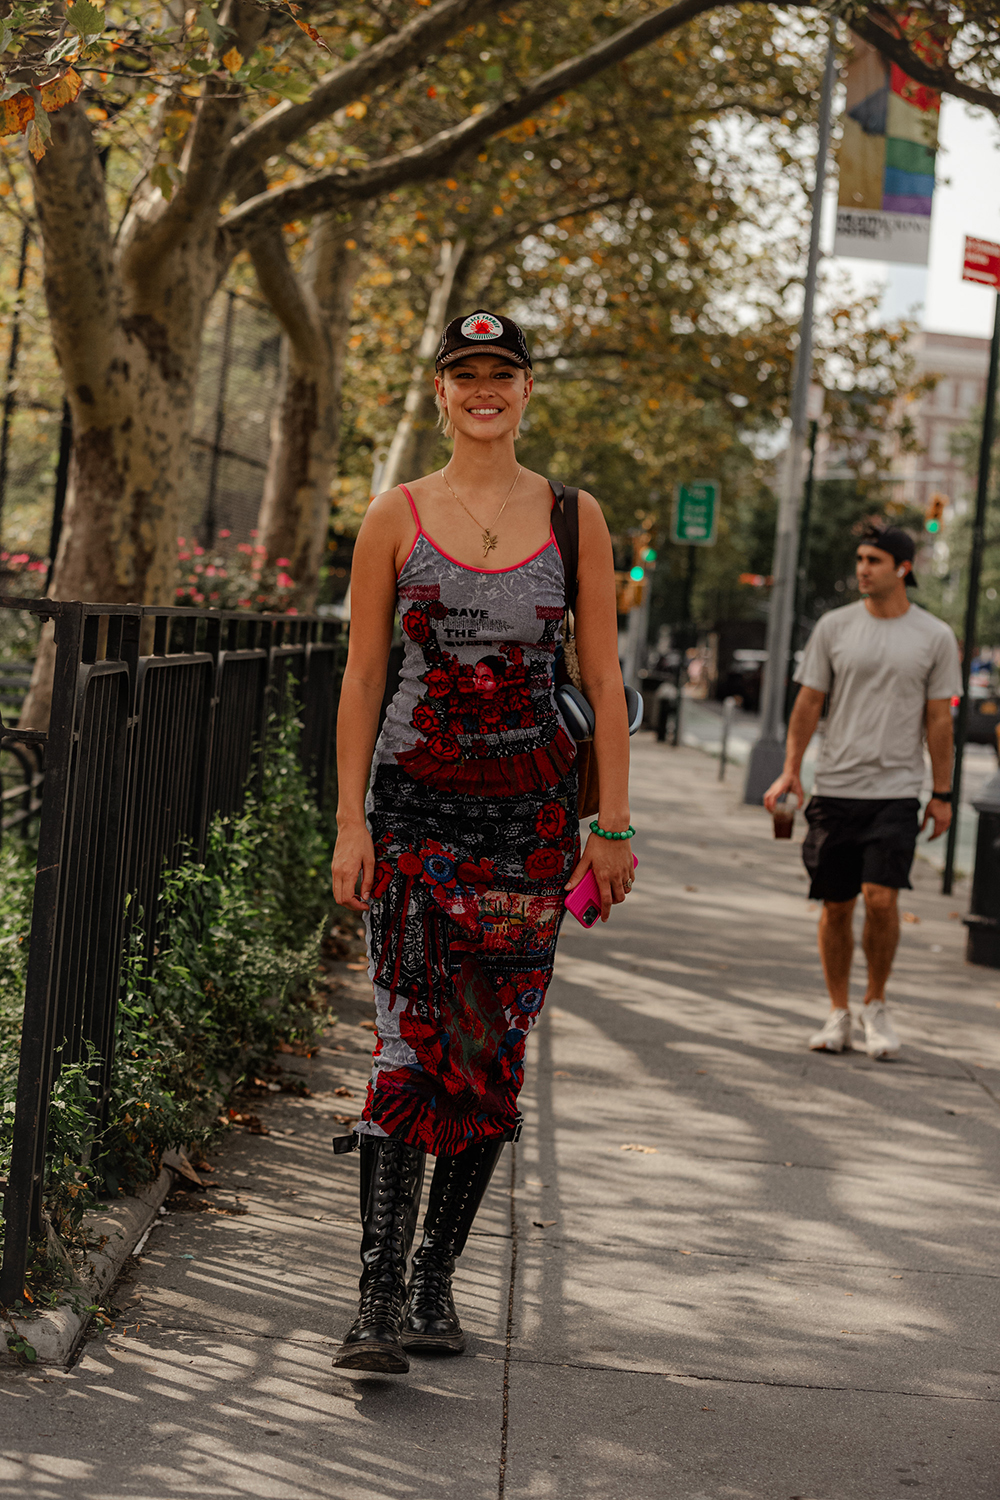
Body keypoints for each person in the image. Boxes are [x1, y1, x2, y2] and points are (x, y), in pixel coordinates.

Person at [329, 310, 634, 1374]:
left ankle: (432, 1280)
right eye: (467, 375)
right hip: (413, 815)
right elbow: (365, 676)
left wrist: (612, 825)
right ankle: (372, 1293)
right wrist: (349, 819)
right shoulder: (394, 515)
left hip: (529, 829)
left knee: (486, 1055)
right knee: (409, 1046)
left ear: (525, 390)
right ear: (442, 394)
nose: (484, 389)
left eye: (502, 373)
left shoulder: (572, 515)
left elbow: (601, 678)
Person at [764, 523, 961, 1060]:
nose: (862, 569)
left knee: (881, 898)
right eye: (859, 559)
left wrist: (942, 793)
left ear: (903, 567)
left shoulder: (934, 636)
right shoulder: (834, 627)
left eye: (873, 560)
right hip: (836, 787)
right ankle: (839, 1012)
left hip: (897, 791)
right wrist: (790, 771)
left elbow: (939, 721)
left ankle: (876, 1002)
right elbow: (808, 704)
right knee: (835, 904)